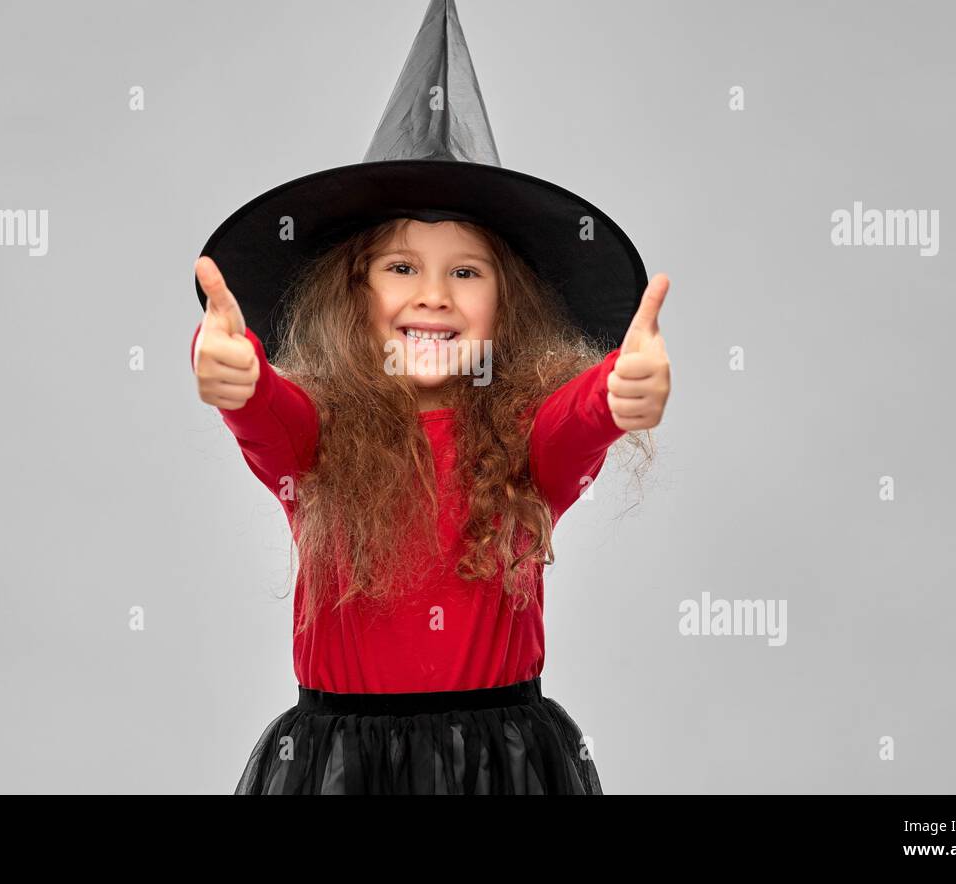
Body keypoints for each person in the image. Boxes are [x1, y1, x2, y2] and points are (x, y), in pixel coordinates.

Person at [191, 213, 671, 794]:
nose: (435, 296)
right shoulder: (319, 439)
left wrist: (618, 388)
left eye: (466, 271)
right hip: (343, 768)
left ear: (508, 302)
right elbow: (267, 411)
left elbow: (575, 420)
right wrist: (238, 371)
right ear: (351, 293)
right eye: (401, 267)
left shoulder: (526, 440)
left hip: (498, 767)